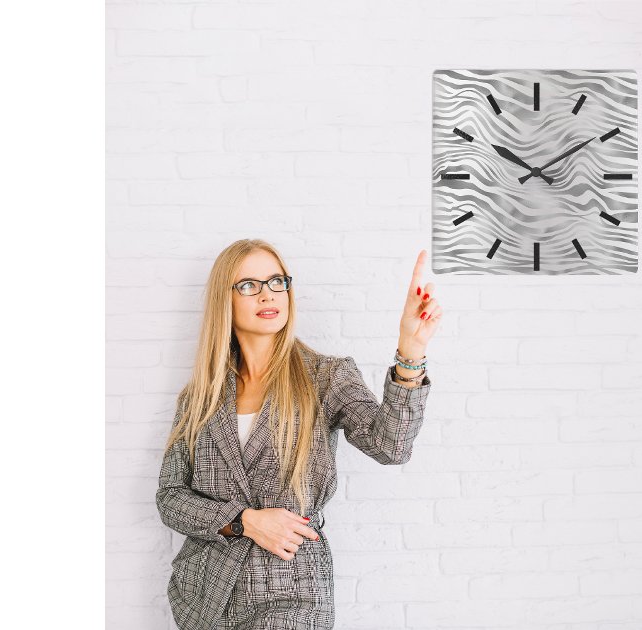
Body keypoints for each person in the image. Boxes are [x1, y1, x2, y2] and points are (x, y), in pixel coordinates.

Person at [155, 239, 443, 630]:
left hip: (292, 589)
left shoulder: (325, 377)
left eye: (276, 281)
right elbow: (171, 498)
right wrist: (243, 520)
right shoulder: (200, 397)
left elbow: (390, 446)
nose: (267, 294)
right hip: (204, 595)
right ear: (225, 299)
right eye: (249, 285)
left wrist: (410, 353)